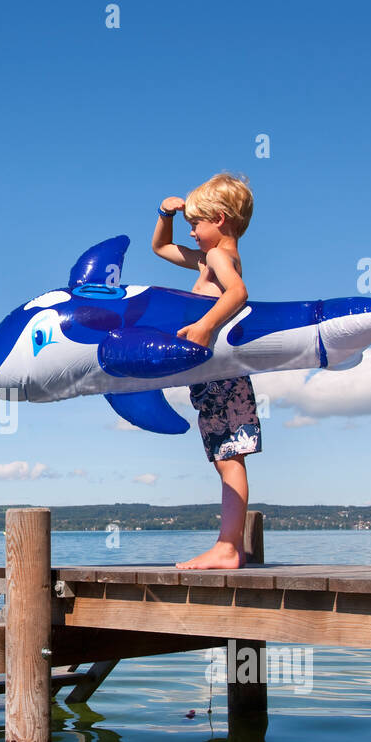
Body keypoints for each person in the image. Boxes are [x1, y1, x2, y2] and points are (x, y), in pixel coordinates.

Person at [152, 172, 260, 569]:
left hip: (223, 375)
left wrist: (205, 325)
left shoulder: (217, 258)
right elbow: (160, 246)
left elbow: (238, 293)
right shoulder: (207, 261)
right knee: (224, 457)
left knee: (229, 456)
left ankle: (228, 547)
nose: (192, 232)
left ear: (220, 218)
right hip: (213, 376)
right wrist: (165, 214)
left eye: (196, 223)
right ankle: (227, 544)